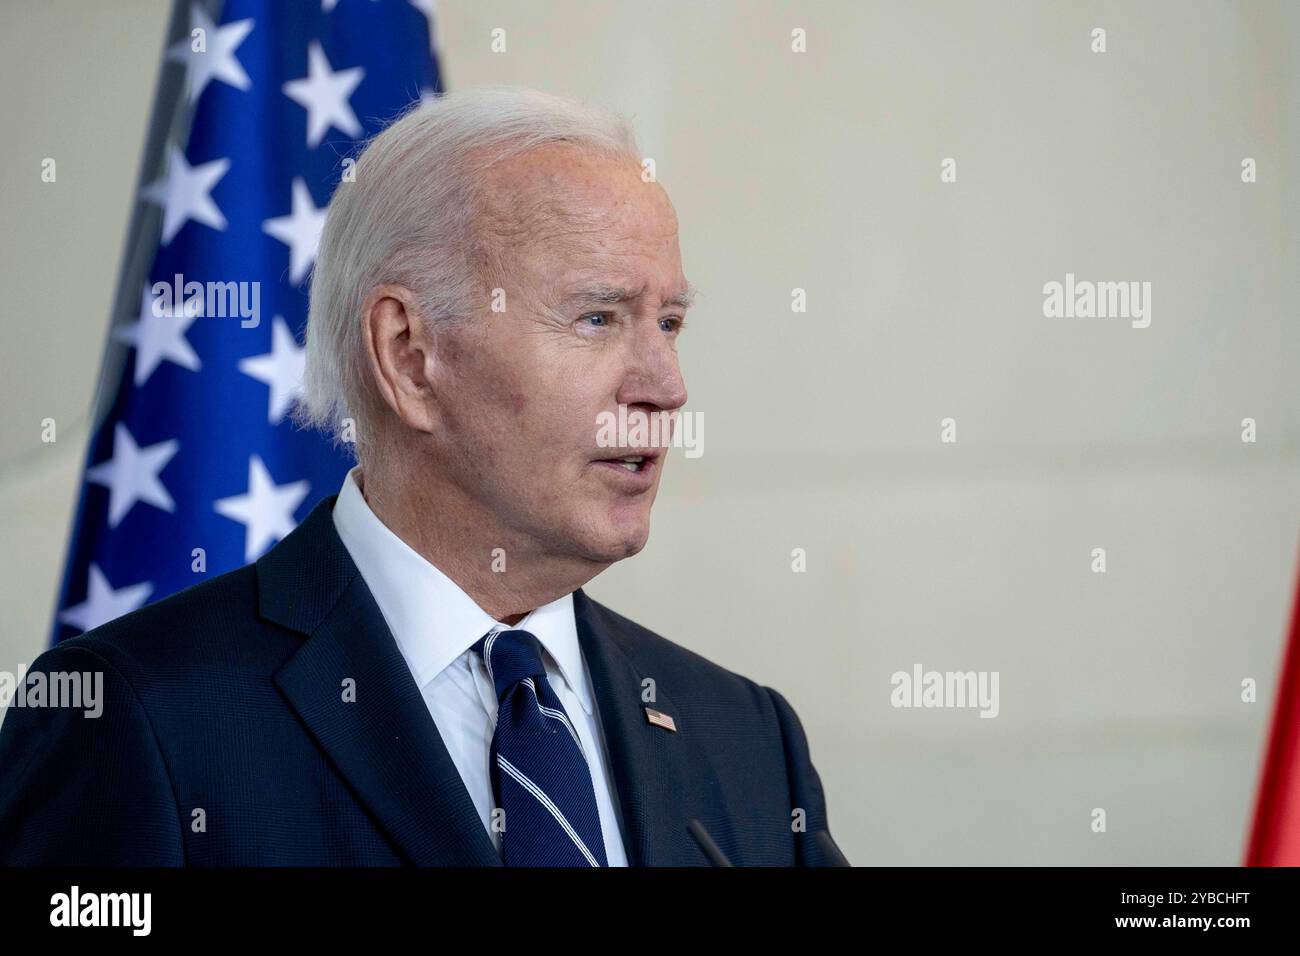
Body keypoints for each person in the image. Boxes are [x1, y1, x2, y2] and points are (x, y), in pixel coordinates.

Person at [0, 87, 841, 866]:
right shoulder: (133, 719)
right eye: (598, 317)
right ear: (409, 356)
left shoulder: (744, 738)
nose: (665, 386)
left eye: (669, 321)